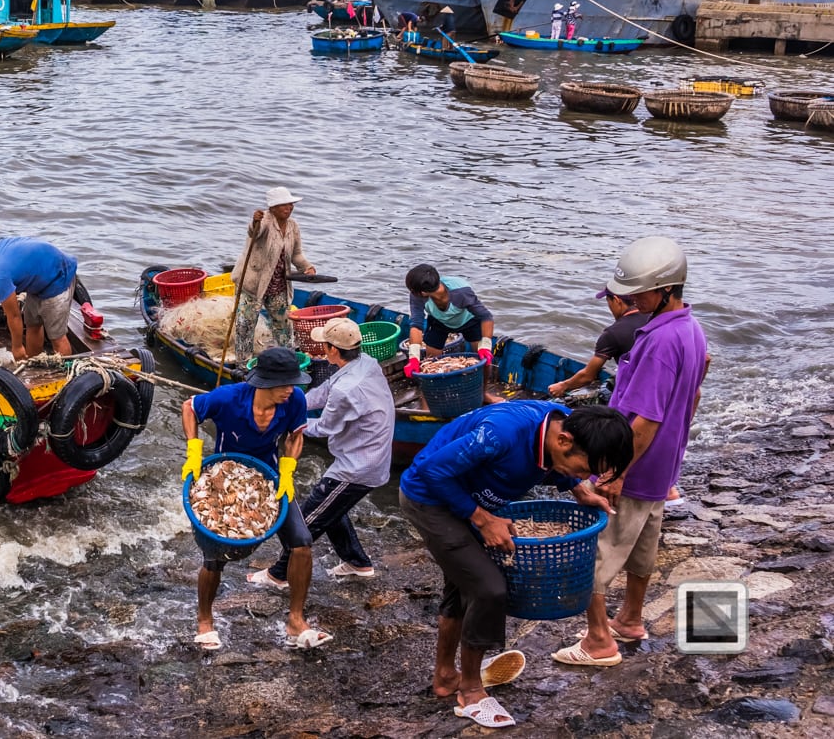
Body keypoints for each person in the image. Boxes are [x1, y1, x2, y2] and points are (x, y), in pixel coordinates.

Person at [400, 401, 634, 728]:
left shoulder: (561, 425)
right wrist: (482, 519)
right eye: (583, 470)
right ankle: (469, 691)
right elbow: (430, 469)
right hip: (430, 501)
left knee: (462, 586)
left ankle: (445, 676)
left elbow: (559, 467)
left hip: (468, 498)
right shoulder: (501, 434)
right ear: (564, 441)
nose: (585, 477)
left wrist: (580, 491)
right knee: (488, 589)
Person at [552, 236, 708, 669]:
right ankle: (631, 618)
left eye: (638, 293)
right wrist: (679, 434)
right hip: (662, 465)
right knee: (643, 543)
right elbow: (694, 386)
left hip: (634, 465)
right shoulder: (690, 329)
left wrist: (616, 473)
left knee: (596, 555)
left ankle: (599, 642)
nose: (630, 301)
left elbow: (645, 421)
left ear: (666, 290)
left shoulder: (658, 342)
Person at [181, 347, 333, 651]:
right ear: (264, 382)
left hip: (268, 478)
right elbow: (189, 407)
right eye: (286, 384)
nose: (292, 390)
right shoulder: (228, 398)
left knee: (302, 542)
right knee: (215, 556)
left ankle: (296, 620)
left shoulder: (294, 401)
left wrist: (288, 470)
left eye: (294, 383)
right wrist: (194, 451)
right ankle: (205, 621)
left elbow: (295, 436)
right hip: (224, 475)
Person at [248, 318, 394, 588]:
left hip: (358, 466)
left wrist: (285, 421)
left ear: (333, 350)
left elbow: (325, 427)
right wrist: (291, 404)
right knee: (332, 510)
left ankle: (278, 575)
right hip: (370, 452)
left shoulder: (346, 389)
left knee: (306, 521)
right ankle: (357, 563)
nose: (320, 350)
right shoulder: (365, 364)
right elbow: (321, 393)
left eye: (324, 345)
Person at [0, 234, 79, 362]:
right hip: (38, 281)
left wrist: (17, 347)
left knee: (56, 336)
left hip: (59, 276)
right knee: (33, 324)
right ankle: (34, 365)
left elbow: (14, 316)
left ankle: (66, 373)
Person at [231, 186, 317, 362]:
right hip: (253, 284)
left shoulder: (293, 226)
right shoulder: (264, 221)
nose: (289, 208)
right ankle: (243, 361)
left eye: (290, 204)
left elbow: (297, 255)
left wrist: (307, 267)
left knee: (283, 325)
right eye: (284, 205)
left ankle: (288, 359)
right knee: (245, 325)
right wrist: (254, 222)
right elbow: (254, 233)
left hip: (278, 285)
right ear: (273, 208)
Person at [403, 264, 499, 403]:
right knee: (429, 363)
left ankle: (483, 393)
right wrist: (413, 358)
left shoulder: (461, 292)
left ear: (422, 292)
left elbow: (486, 317)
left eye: (412, 290)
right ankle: (427, 401)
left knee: (483, 359)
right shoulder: (418, 296)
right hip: (439, 321)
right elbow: (416, 326)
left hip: (468, 320)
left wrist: (485, 346)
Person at [548, 288, 649, 398]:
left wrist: (563, 386)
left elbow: (587, 376)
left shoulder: (612, 333)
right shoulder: (653, 316)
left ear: (616, 300)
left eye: (608, 301)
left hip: (637, 392)